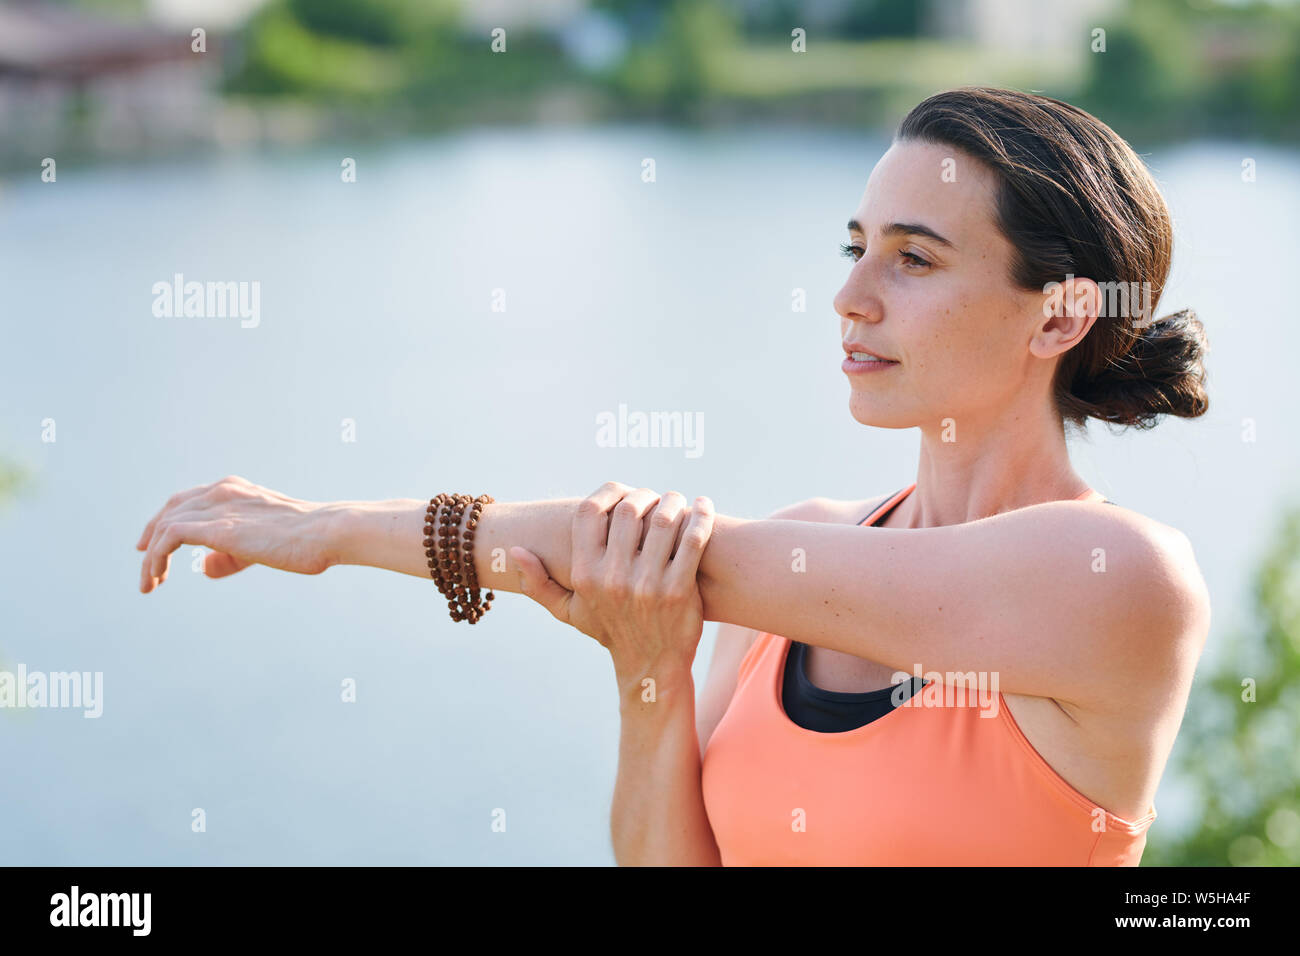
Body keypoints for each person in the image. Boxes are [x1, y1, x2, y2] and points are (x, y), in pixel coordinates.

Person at [135, 87, 1211, 866]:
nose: (851, 297)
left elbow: (662, 551)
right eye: (855, 247)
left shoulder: (1115, 575)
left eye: (914, 259)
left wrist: (327, 528)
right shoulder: (794, 557)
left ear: (1062, 311)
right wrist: (648, 675)